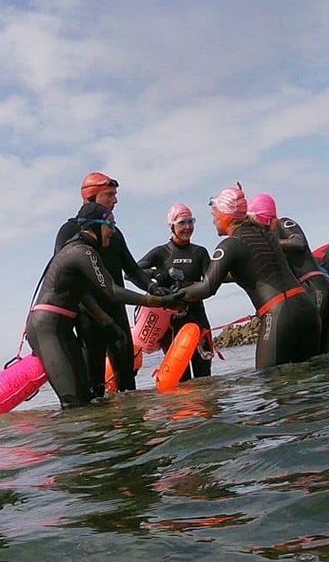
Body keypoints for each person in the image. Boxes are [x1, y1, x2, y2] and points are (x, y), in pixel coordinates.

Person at [29, 201, 183, 408]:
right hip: (47, 329)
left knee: (88, 399)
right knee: (74, 404)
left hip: (61, 328)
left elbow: (83, 292)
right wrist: (160, 301)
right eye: (110, 225)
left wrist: (107, 322)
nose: (113, 231)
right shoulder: (82, 251)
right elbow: (111, 291)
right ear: (94, 227)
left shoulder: (84, 249)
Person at [176, 184, 320, 368]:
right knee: (315, 379)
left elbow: (207, 288)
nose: (214, 221)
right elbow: (251, 272)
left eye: (215, 215)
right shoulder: (265, 234)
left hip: (278, 314)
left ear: (226, 215)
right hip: (307, 308)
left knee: (271, 382)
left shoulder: (230, 245)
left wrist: (172, 296)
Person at [52, 172, 156, 396]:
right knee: (95, 387)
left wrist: (156, 290)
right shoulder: (69, 231)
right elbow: (65, 280)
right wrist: (100, 316)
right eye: (110, 195)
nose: (115, 201)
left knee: (128, 383)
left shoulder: (114, 233)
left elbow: (134, 271)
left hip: (116, 314)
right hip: (88, 316)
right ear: (91, 198)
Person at [251, 192, 329, 353]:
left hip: (317, 289)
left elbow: (299, 242)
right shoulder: (270, 239)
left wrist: (268, 243)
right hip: (319, 291)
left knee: (315, 353)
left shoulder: (284, 223)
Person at [137, 203, 214, 381]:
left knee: (204, 378)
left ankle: (209, 409)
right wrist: (156, 279)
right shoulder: (161, 253)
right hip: (171, 324)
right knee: (181, 379)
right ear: (172, 225)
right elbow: (132, 273)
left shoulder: (200, 252)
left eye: (190, 221)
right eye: (182, 223)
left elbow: (211, 283)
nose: (187, 227)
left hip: (198, 318)